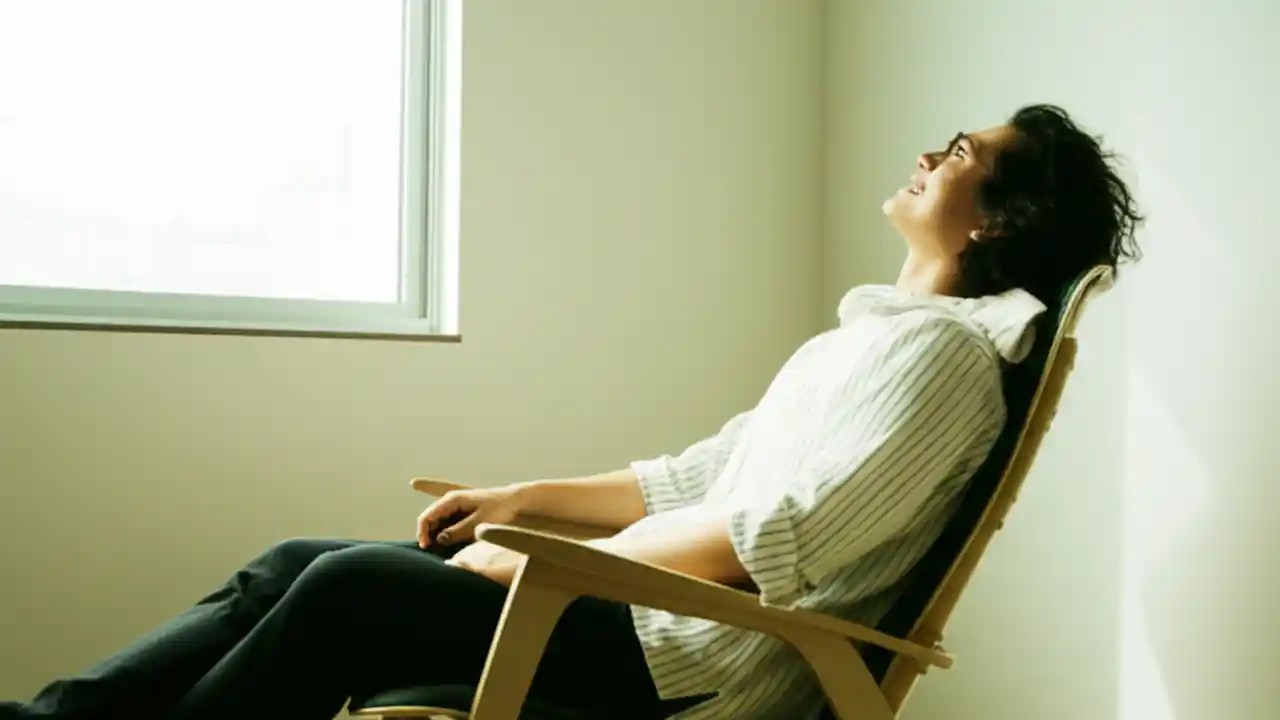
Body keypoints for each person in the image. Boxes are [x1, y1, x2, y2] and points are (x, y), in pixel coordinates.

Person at [1, 104, 1142, 720]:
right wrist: (520, 503)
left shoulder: (945, 360)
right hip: (639, 617)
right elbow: (701, 479)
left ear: (999, 218)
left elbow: (772, 547)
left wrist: (537, 562)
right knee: (302, 559)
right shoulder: (867, 345)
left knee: (346, 587)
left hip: (691, 661)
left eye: (959, 154)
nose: (925, 154)